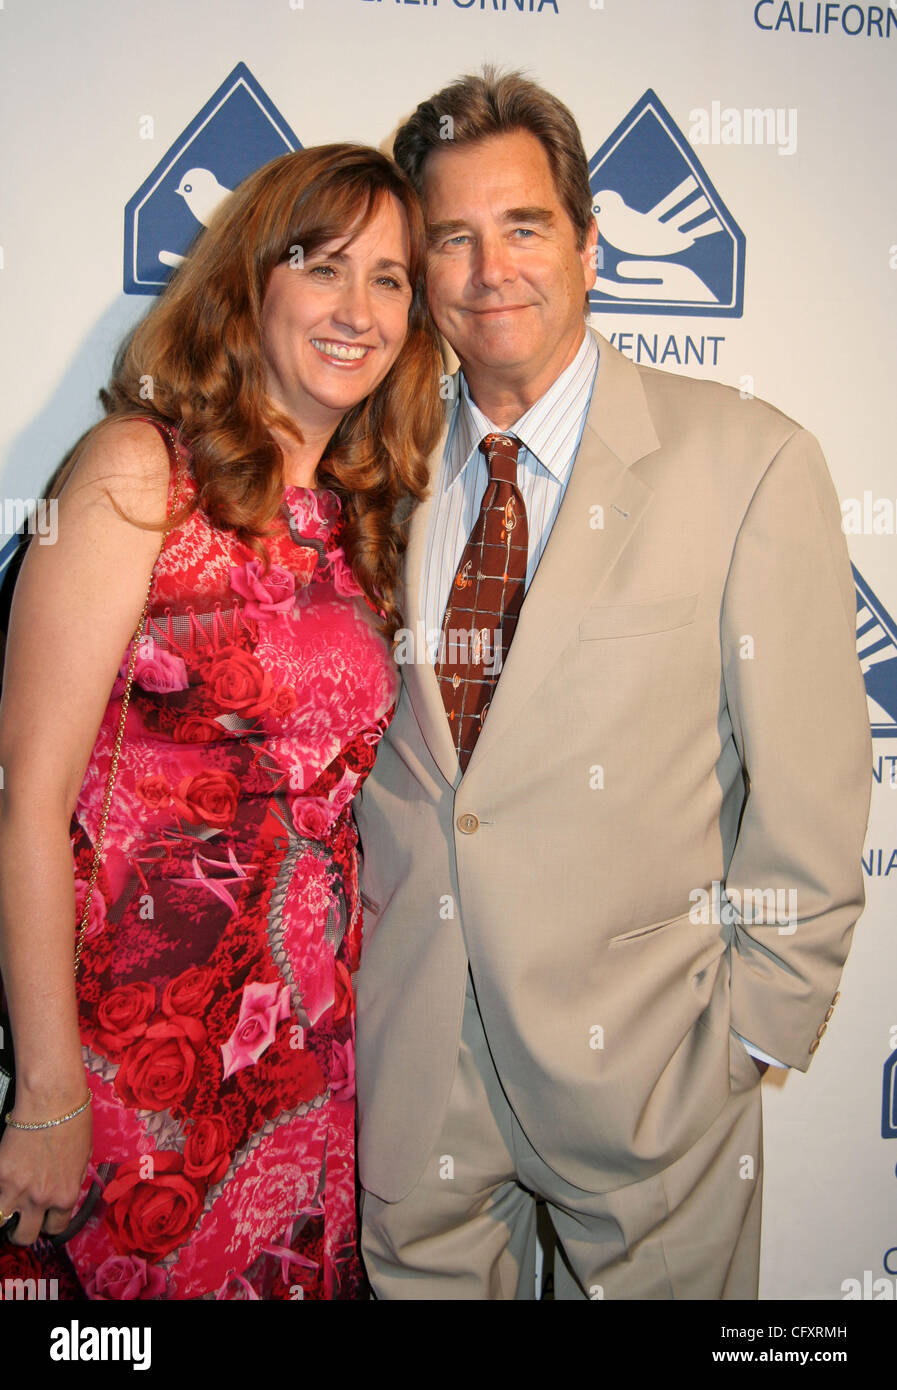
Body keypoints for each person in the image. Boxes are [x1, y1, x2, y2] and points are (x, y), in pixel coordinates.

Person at [353, 69, 873, 1299]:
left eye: (524, 228)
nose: (491, 271)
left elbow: (812, 801)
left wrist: (746, 1038)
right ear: (422, 269)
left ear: (589, 244)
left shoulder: (750, 464)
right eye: (453, 240)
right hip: (414, 1060)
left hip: (650, 1081)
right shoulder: (366, 466)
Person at [0, 144, 443, 1299]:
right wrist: (48, 1088)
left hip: (307, 1072)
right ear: (254, 278)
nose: (359, 310)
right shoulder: (135, 476)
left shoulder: (364, 524)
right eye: (326, 265)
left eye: (390, 279)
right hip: (131, 1064)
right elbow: (30, 801)